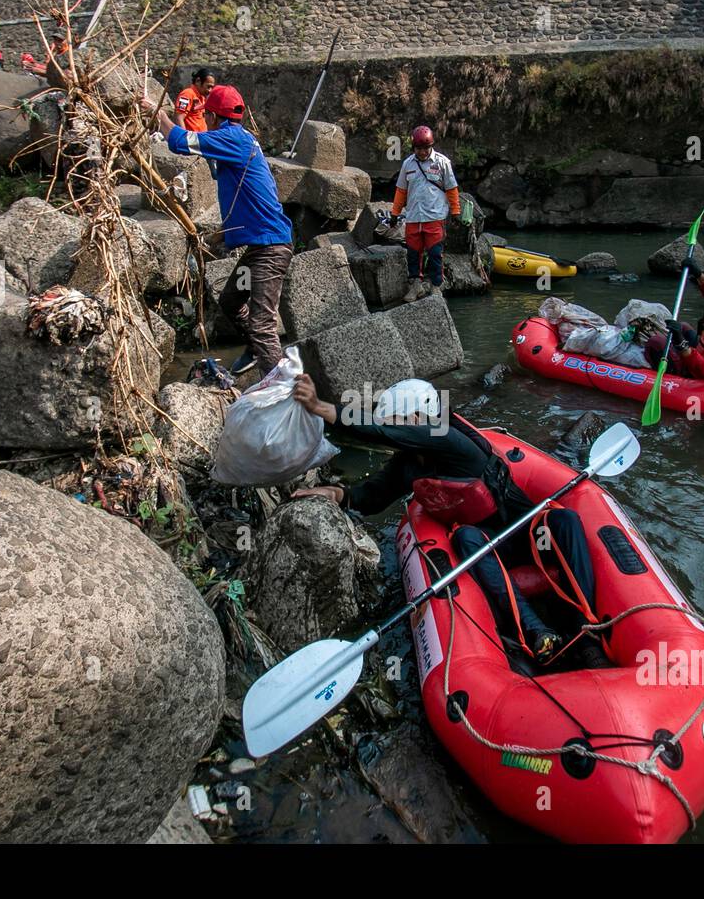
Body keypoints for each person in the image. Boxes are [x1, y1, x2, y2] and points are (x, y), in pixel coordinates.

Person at [292, 376, 605, 666]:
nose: (393, 432)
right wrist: (334, 493)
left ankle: (586, 628)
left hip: (528, 537)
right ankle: (535, 630)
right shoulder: (407, 465)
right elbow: (372, 497)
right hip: (488, 550)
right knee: (466, 537)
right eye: (391, 424)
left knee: (563, 519)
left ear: (419, 418)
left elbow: (377, 431)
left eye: (398, 423)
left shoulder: (454, 442)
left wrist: (321, 407)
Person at [145, 84, 295, 377]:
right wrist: (215, 238)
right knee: (230, 299)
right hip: (260, 247)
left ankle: (282, 394)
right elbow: (247, 204)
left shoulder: (231, 138)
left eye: (206, 116)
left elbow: (180, 141)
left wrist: (157, 113)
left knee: (263, 324)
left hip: (270, 249)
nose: (205, 121)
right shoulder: (240, 141)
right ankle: (254, 348)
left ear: (212, 116)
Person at [389, 125, 468, 303]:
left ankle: (435, 287)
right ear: (414, 148)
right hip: (413, 217)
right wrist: (395, 213)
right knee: (413, 254)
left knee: (435, 254)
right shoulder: (408, 164)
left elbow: (452, 189)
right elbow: (401, 190)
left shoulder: (442, 163)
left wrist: (455, 212)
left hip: (435, 217)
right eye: (419, 149)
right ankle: (416, 286)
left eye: (426, 148)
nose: (423, 152)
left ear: (431, 146)